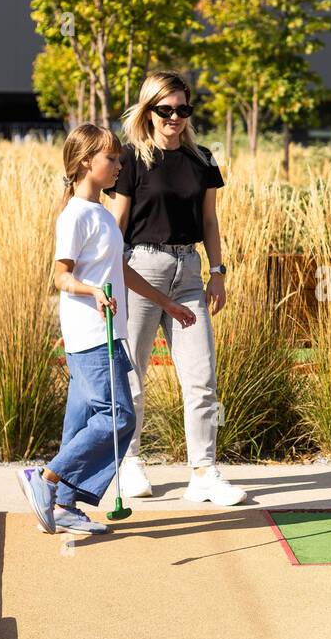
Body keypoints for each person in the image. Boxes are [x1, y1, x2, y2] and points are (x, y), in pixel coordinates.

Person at [17, 123, 196, 535]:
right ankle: (44, 477)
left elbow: (121, 270)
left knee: (81, 423)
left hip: (103, 332)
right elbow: (61, 276)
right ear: (86, 162)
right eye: (111, 158)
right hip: (93, 334)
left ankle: (63, 505)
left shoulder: (100, 212)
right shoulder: (75, 215)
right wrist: (94, 291)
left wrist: (165, 302)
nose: (119, 165)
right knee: (118, 417)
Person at [106, 71, 245, 506]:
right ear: (148, 111)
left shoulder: (202, 159)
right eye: (165, 109)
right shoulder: (130, 160)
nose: (175, 117)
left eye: (183, 109)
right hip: (140, 269)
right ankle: (130, 461)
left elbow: (210, 221)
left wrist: (217, 272)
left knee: (202, 377)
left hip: (188, 271)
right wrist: (109, 277)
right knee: (133, 373)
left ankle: (203, 472)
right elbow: (117, 225)